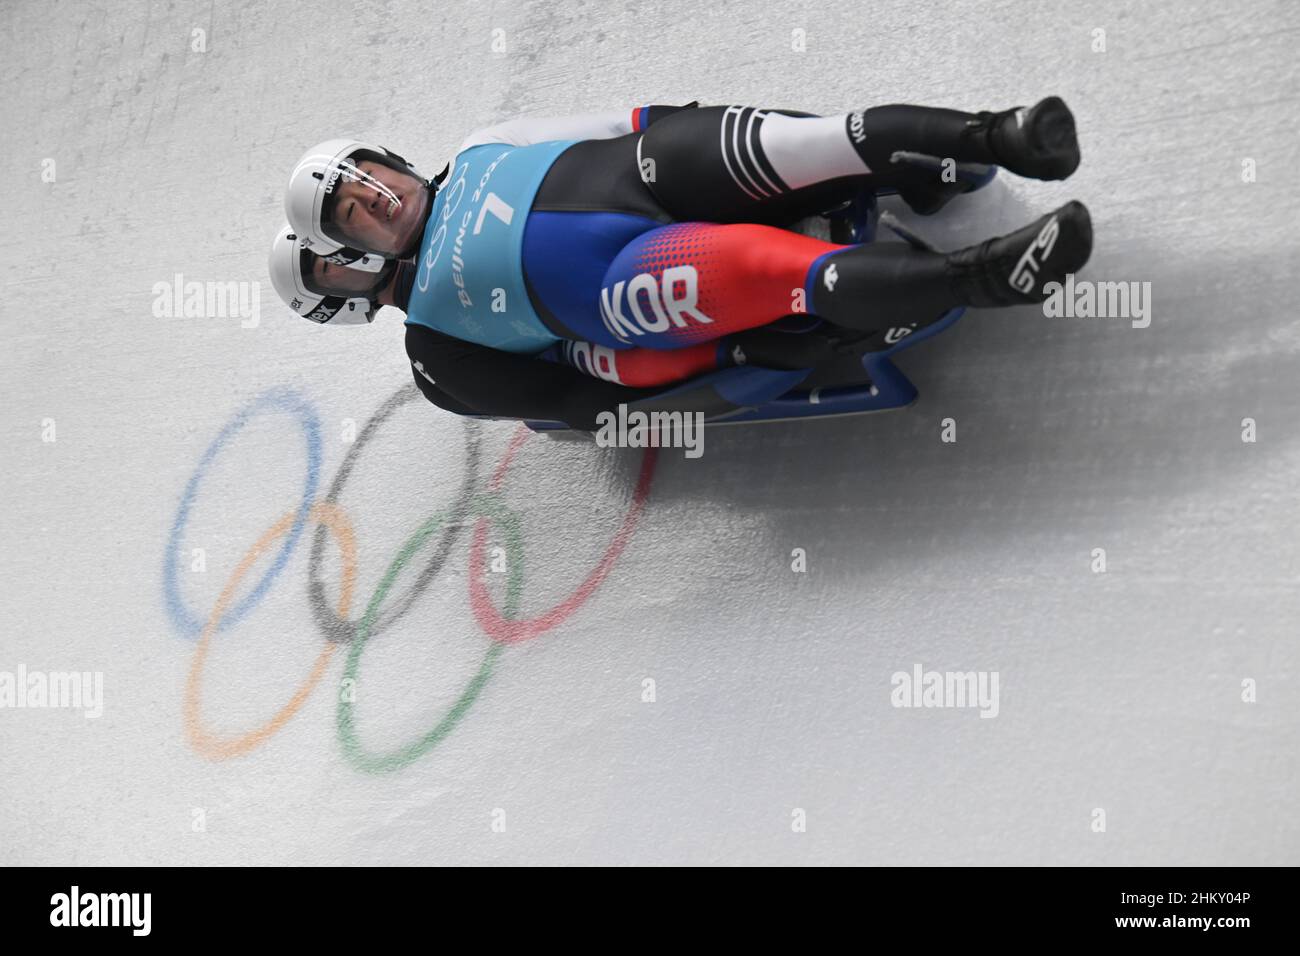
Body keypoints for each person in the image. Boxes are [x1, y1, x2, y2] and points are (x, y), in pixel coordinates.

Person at [275, 99, 1092, 429]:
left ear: (387, 159)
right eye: (352, 214)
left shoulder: (481, 144)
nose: (374, 201)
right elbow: (570, 398)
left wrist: (699, 119)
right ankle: (987, 275)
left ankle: (1005, 136)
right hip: (622, 281)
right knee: (779, 269)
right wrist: (721, 365)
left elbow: (617, 121)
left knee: (815, 141)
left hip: (649, 167)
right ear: (353, 248)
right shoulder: (432, 345)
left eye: (366, 179)